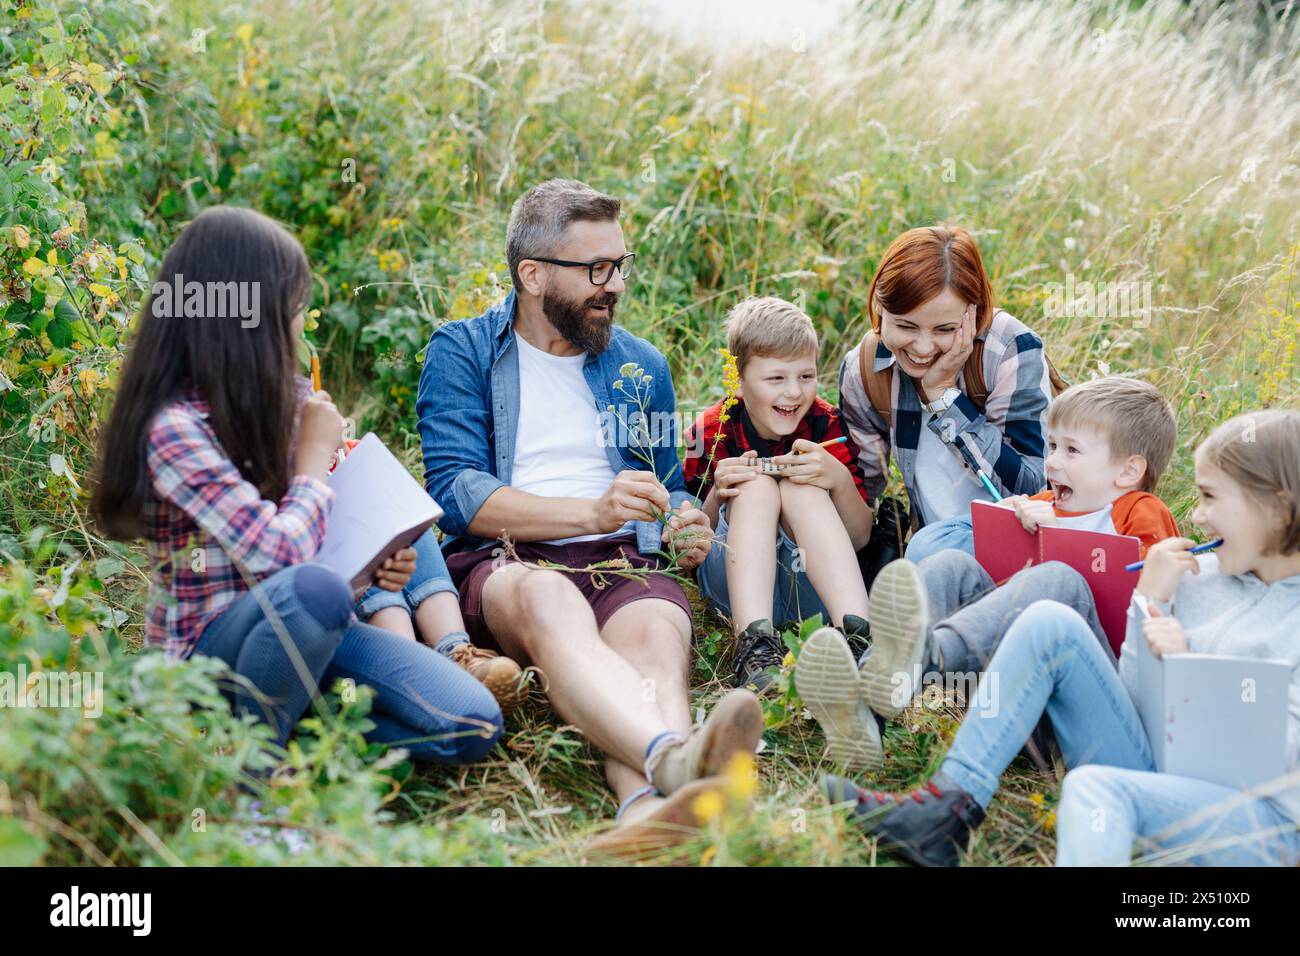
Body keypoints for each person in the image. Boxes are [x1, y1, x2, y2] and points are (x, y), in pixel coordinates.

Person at [418, 179, 763, 853]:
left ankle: (643, 813)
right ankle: (674, 758)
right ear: (533, 273)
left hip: (624, 558)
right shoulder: (463, 351)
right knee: (550, 601)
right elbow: (459, 493)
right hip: (511, 560)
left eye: (620, 265)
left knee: (658, 643)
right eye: (596, 269)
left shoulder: (641, 364)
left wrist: (685, 521)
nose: (614, 285)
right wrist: (591, 511)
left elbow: (670, 485)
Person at [91, 206, 503, 765]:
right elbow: (280, 557)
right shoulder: (175, 429)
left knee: (471, 723)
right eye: (292, 313)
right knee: (314, 592)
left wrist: (377, 567)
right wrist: (311, 460)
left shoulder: (278, 407)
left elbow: (324, 561)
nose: (298, 330)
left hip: (312, 632)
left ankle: (283, 739)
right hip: (212, 655)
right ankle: (248, 779)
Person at [821, 410, 1300, 867]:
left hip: (1254, 823)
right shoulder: (1197, 575)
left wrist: (1191, 671)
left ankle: (919, 668)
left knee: (1093, 788)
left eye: (1212, 498)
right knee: (1048, 619)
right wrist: (1150, 603)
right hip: (1153, 770)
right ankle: (949, 807)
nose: (1196, 517)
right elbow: (1133, 705)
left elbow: (1274, 776)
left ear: (1277, 508)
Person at [684, 296, 874, 694]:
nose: (793, 393)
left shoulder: (827, 425)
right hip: (734, 587)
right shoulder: (710, 430)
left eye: (806, 376)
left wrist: (836, 478)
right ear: (738, 380)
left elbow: (859, 539)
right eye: (776, 379)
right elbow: (689, 546)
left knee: (801, 488)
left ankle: (859, 639)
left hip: (813, 587)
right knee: (754, 488)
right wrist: (719, 494)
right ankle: (754, 646)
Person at [838, 225, 1057, 564]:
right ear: (879, 308)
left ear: (973, 312)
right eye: (906, 326)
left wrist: (944, 397)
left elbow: (1032, 490)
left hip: (1024, 551)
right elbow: (862, 491)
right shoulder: (865, 368)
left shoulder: (1009, 350)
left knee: (928, 549)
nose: (923, 349)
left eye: (945, 329)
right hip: (933, 552)